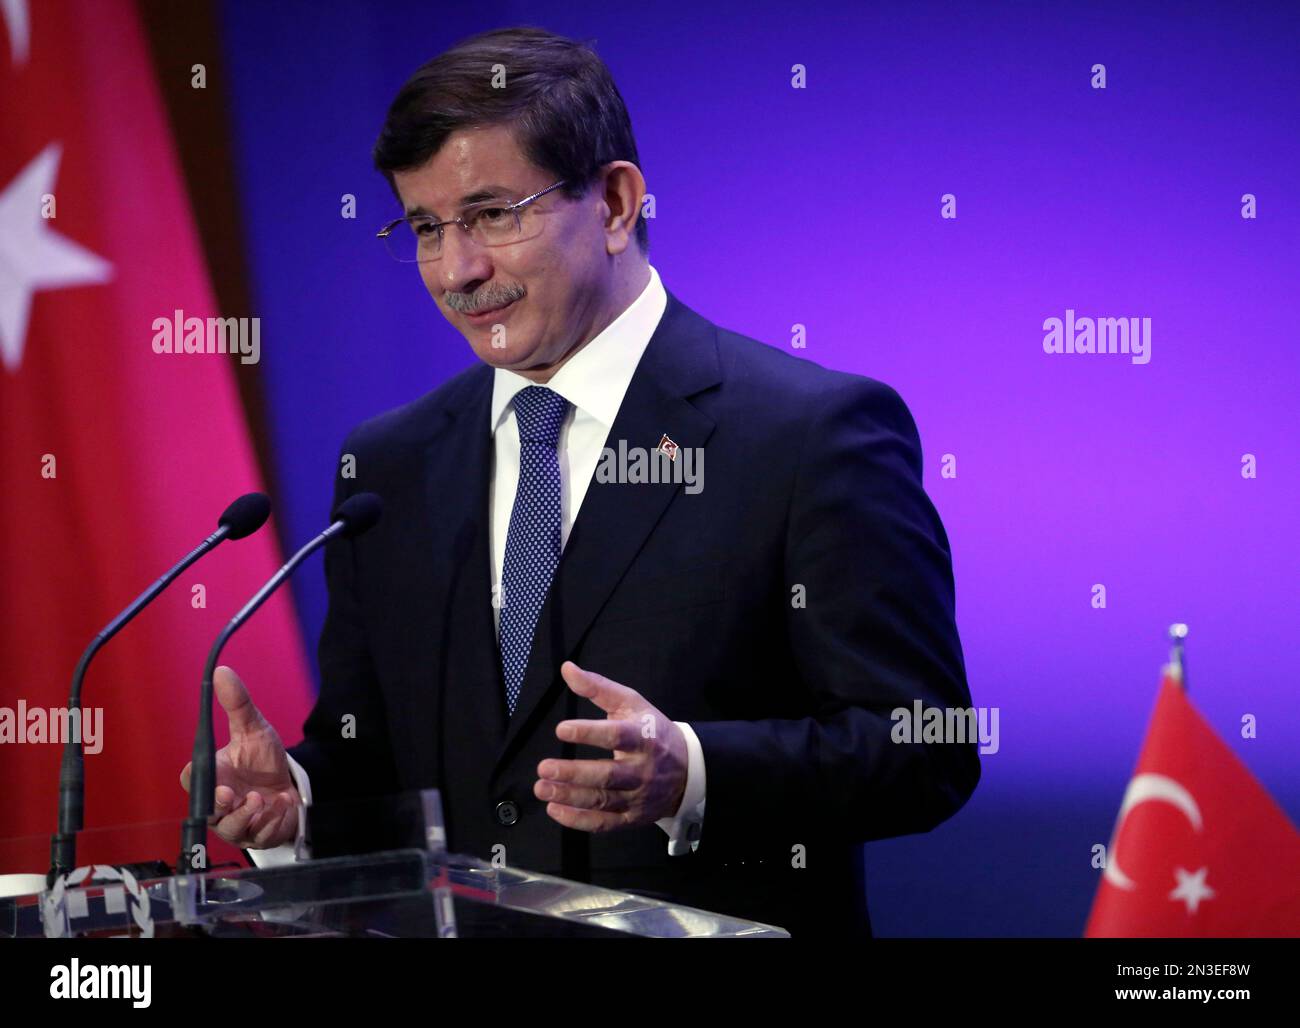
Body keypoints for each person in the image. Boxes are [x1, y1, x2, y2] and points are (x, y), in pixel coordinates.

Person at [180, 25, 979, 938]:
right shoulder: (390, 466)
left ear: (615, 204)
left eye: (492, 214)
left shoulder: (806, 434)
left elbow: (924, 749)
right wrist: (297, 803)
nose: (457, 269)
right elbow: (381, 762)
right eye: (427, 228)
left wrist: (690, 772)